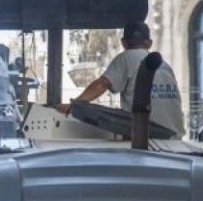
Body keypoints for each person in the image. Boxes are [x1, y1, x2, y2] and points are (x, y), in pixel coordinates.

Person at [56, 22, 186, 138]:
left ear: (123, 42)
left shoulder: (126, 58)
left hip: (148, 139)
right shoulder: (165, 65)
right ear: (149, 43)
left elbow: (102, 84)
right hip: (175, 139)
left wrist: (76, 104)